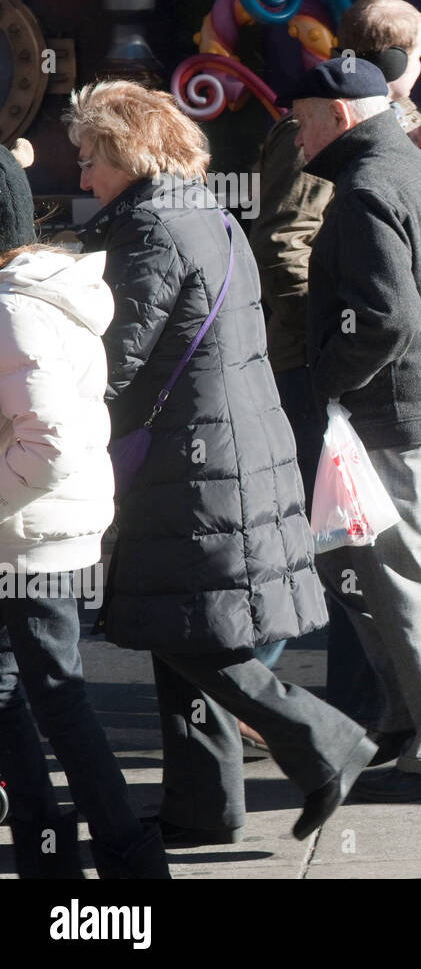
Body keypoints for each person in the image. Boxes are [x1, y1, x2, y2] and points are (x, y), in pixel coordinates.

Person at [68, 81, 376, 847]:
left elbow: (116, 361)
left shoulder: (153, 228)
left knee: (182, 634)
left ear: (124, 150)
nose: (81, 178)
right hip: (221, 452)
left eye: (89, 158)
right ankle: (203, 807)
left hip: (189, 464)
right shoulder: (201, 213)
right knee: (188, 628)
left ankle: (324, 740)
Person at [287, 56, 421, 803]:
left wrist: (320, 385)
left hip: (389, 416)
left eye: (302, 119)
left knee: (401, 583)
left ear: (339, 117)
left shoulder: (365, 188)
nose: (297, 136)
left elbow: (386, 318)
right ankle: (407, 723)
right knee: (367, 574)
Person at [0, 143, 169, 880]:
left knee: (59, 702)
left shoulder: (15, 309)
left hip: (30, 539)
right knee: (20, 695)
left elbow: (52, 442)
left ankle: (127, 859)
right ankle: (50, 855)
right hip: (35, 533)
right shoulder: (38, 294)